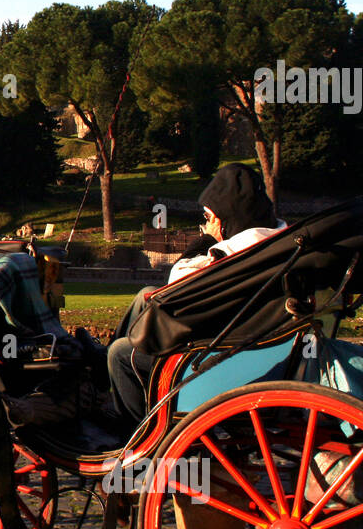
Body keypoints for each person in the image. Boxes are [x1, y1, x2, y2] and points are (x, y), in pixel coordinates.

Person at [105, 164, 286, 436]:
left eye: (209, 217)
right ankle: (99, 372)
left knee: (120, 354)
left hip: (228, 356)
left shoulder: (235, 250)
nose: (206, 223)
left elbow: (176, 283)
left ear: (225, 219)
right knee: (146, 295)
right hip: (257, 340)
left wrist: (207, 239)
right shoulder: (278, 239)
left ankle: (133, 441)